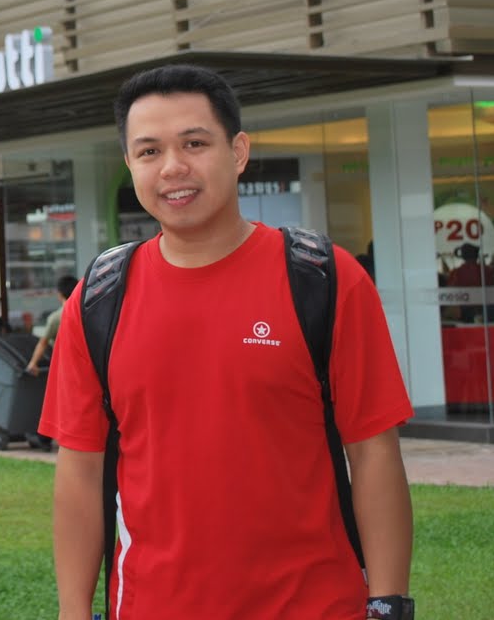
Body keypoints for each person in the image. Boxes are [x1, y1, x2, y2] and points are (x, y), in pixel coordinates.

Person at [41, 64, 414, 620]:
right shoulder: (98, 301)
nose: (173, 168)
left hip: (314, 606)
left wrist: (387, 604)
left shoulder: (321, 278)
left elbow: (374, 452)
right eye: (149, 152)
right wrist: (74, 612)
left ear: (238, 152)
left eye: (194, 143)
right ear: (130, 165)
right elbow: (80, 472)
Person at [26, 274, 78, 375]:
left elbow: (43, 343)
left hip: (66, 365)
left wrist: (33, 363)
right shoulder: (85, 312)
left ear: (59, 294)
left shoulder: (56, 318)